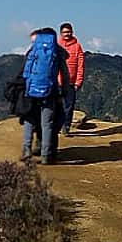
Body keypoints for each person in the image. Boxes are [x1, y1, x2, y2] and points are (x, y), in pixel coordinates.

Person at [20, 27, 70, 164]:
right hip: (50, 92)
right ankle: (46, 156)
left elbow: (26, 71)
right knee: (47, 124)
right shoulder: (57, 51)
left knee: (29, 121)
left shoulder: (33, 49)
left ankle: (26, 151)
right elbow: (65, 74)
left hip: (31, 91)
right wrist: (64, 91)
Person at [58, 22, 86, 136]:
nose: (67, 34)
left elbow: (80, 65)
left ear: (72, 32)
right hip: (57, 81)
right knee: (57, 106)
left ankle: (66, 127)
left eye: (69, 32)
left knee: (69, 106)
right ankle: (56, 126)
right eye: (64, 32)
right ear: (61, 33)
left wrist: (78, 82)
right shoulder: (56, 45)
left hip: (71, 82)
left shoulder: (77, 46)